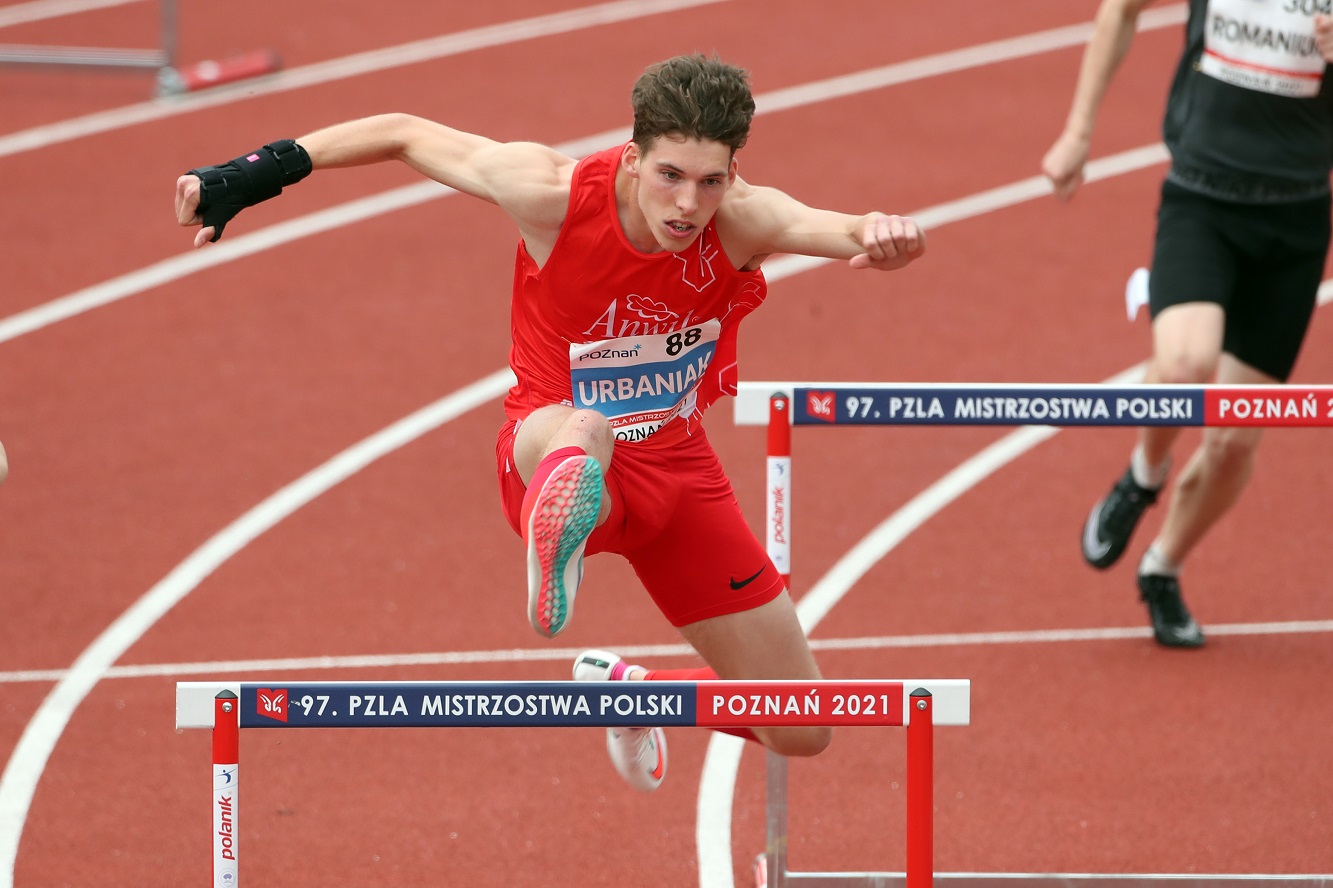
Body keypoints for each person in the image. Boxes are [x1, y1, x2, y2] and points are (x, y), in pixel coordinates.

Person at [175, 54, 926, 789]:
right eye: (669, 175)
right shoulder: (549, 194)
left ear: (732, 175)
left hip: (678, 474)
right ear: (633, 159)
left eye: (709, 181)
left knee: (802, 727)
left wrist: (883, 236)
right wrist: (255, 172)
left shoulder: (741, 220)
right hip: (546, 447)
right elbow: (405, 132)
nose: (687, 206)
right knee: (585, 430)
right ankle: (560, 525)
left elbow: (835, 226)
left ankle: (631, 690)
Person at [1042, 1, 1333, 648]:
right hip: (1201, 198)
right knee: (1183, 367)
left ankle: (1161, 566)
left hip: (1297, 220)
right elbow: (1119, 10)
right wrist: (1078, 131)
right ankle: (1144, 473)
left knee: (1232, 442)